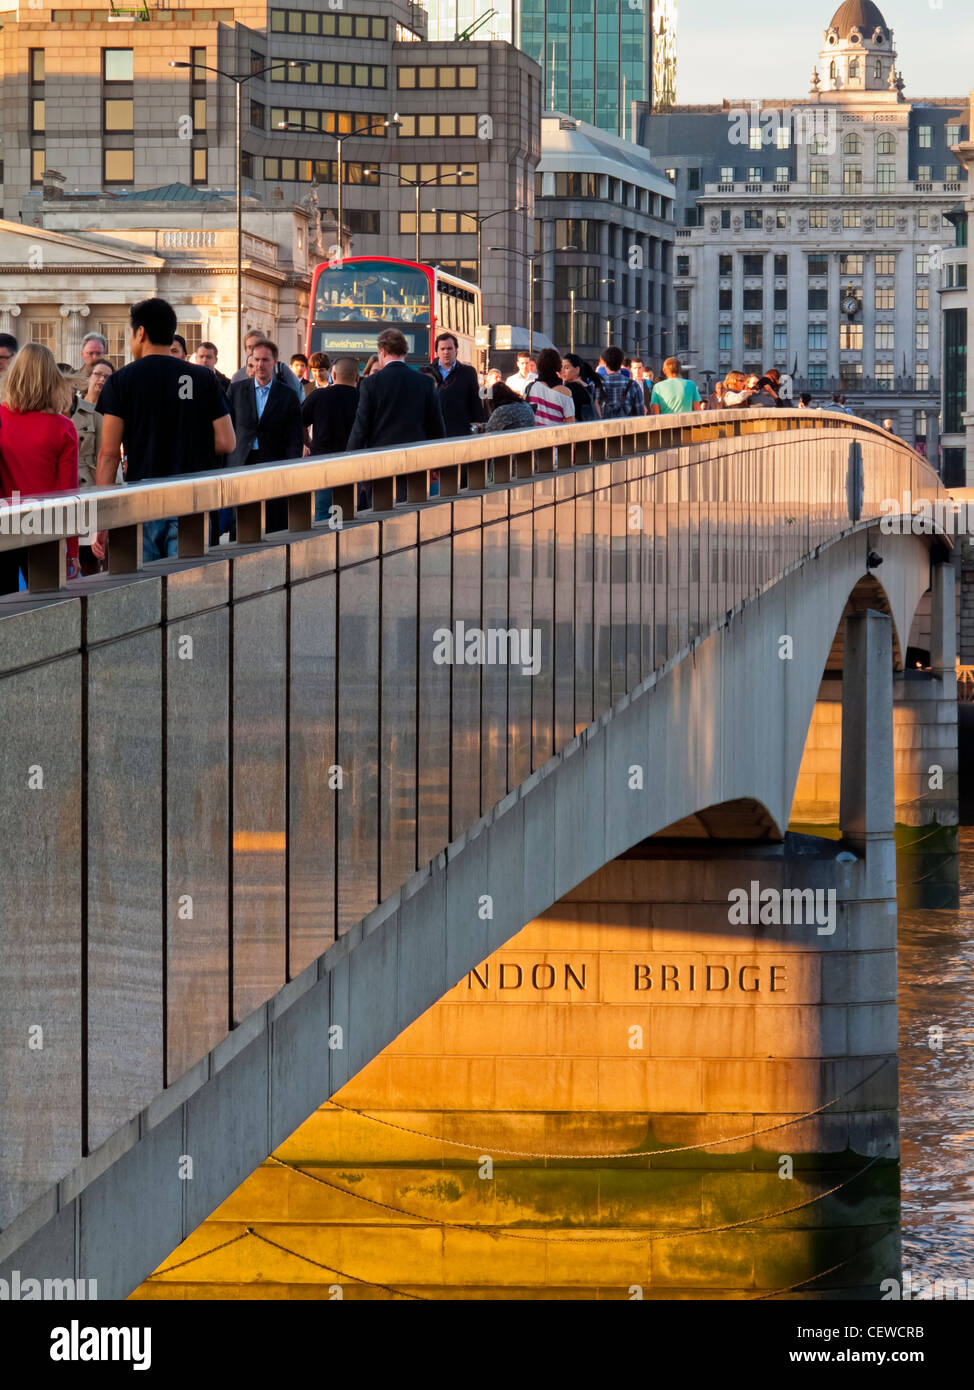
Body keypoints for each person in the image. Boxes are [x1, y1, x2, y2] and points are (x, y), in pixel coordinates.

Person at [92, 297, 235, 563]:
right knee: (189, 585)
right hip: (194, 498)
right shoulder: (202, 377)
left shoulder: (121, 381)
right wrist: (187, 441)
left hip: (143, 500)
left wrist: (103, 518)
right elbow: (227, 442)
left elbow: (109, 455)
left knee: (146, 589)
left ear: (141, 332)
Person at [0, 342, 80, 594]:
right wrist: (73, 549)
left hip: (4, 524)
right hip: (47, 526)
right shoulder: (63, 427)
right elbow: (69, 492)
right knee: (47, 608)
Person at [227, 338, 303, 533]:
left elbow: (294, 437)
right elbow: (229, 427)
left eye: (265, 360)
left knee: (274, 520)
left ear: (274, 363)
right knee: (242, 521)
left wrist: (290, 468)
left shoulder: (288, 395)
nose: (260, 365)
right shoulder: (236, 390)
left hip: (273, 462)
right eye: (256, 360)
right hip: (243, 461)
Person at [347, 328, 446, 454]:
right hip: (417, 460)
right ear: (404, 352)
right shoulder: (425, 382)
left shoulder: (370, 383)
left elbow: (360, 429)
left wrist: (350, 455)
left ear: (382, 352)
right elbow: (436, 427)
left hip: (382, 458)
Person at [431, 332, 484, 436]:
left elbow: (475, 400)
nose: (446, 352)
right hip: (434, 431)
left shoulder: (468, 372)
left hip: (460, 430)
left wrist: (478, 423)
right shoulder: (427, 372)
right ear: (437, 352)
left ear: (456, 351)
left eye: (450, 348)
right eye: (442, 349)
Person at [231, 328, 303, 400]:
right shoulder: (238, 376)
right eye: (250, 347)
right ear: (245, 350)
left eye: (257, 346)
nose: (253, 350)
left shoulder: (281, 370)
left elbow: (297, 395)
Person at [525, 348, 575, 426]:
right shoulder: (565, 392)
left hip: (535, 434)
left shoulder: (531, 388)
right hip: (557, 435)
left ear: (539, 365)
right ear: (558, 365)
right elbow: (570, 422)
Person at [601, 345, 647, 418]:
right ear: (620, 363)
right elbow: (640, 414)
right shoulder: (633, 385)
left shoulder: (596, 384)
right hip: (627, 428)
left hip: (602, 428)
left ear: (605, 364)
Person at [560, 353, 599, 421]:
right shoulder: (589, 387)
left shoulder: (569, 388)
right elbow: (598, 412)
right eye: (561, 367)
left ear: (577, 369)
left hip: (576, 428)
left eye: (566, 368)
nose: (562, 371)